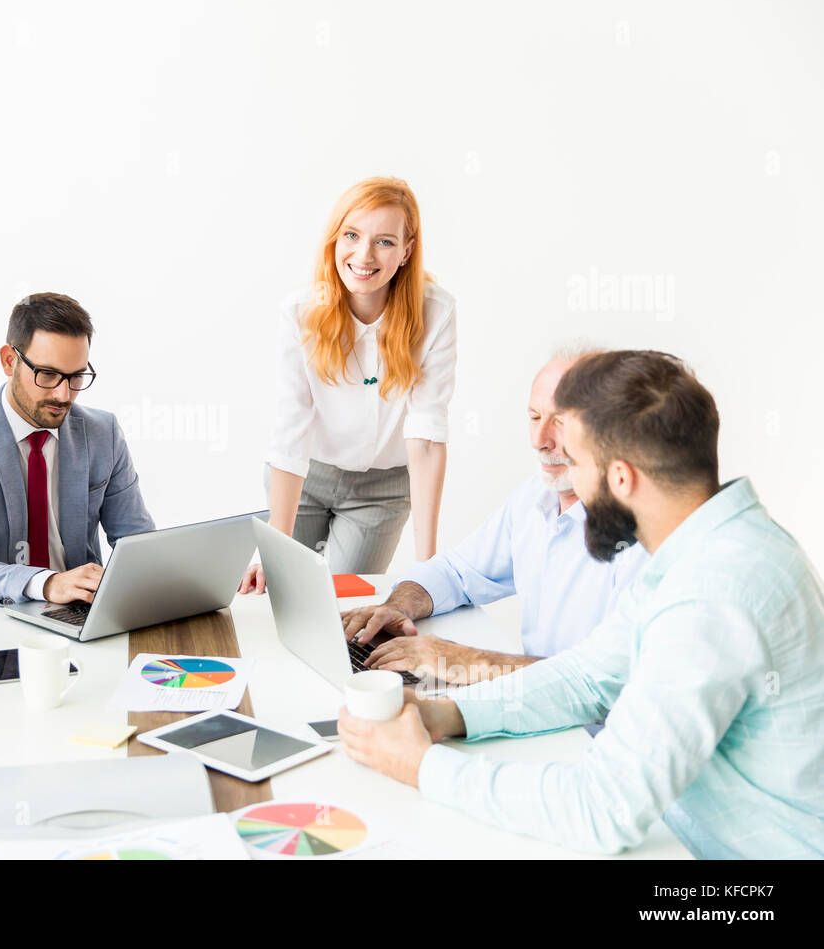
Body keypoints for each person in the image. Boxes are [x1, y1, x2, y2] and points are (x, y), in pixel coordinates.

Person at [338, 350, 824, 857]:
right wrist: (447, 713)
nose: (565, 479)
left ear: (620, 478)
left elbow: (601, 811)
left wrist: (423, 766)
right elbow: (587, 676)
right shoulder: (696, 547)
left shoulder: (713, 593)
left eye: (576, 462)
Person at [341, 350, 648, 684]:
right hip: (532, 703)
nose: (539, 440)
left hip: (587, 729)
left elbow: (608, 680)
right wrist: (398, 607)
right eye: (534, 417)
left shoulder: (642, 536)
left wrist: (469, 662)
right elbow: (456, 573)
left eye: (560, 422)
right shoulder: (535, 498)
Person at [240, 176, 456, 593]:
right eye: (352, 235)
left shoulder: (437, 312)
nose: (364, 255)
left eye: (385, 242)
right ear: (334, 239)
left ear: (407, 250)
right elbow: (291, 428)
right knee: (281, 593)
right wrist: (274, 545)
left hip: (382, 491)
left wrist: (428, 564)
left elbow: (427, 433)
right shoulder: (301, 312)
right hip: (305, 478)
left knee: (336, 605)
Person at [0, 292, 154, 606]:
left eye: (76, 377)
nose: (63, 394)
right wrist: (45, 583)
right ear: (8, 361)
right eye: (48, 374)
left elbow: (139, 546)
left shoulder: (103, 434)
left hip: (80, 618)